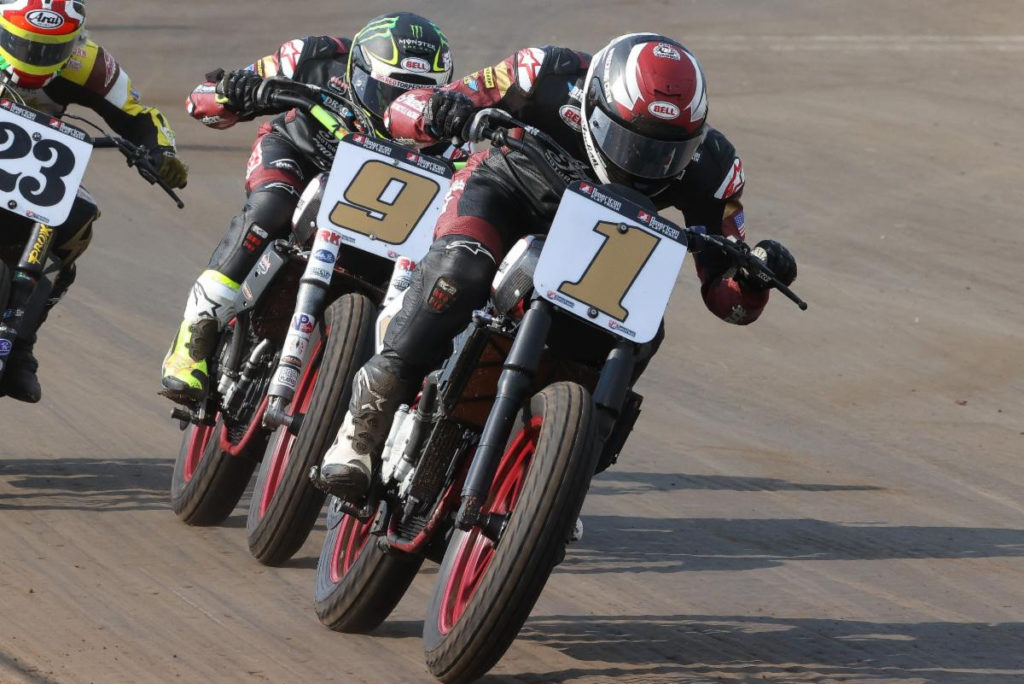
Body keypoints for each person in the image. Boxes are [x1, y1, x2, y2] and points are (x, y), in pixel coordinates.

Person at [317, 33, 799, 498]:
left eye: (666, 152)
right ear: (594, 105)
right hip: (508, 194)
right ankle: (365, 421)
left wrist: (753, 278)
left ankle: (563, 479)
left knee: (645, 334)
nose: (643, 161)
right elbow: (413, 104)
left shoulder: (716, 166)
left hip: (609, 243)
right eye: (629, 140)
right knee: (459, 275)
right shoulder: (543, 71)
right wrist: (440, 110)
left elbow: (726, 295)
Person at [159, 12, 457, 404]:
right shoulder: (313, 56)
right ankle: (194, 335)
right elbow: (202, 98)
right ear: (359, 70)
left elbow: (466, 172)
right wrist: (236, 92)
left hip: (384, 199)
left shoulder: (451, 110)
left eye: (417, 96)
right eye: (388, 92)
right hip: (299, 154)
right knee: (271, 206)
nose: (398, 108)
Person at [0, 0, 188, 403]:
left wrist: (161, 154)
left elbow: (139, 113)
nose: (34, 57)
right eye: (22, 44)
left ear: (74, 41)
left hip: (31, 171)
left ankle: (20, 345)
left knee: (79, 219)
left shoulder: (89, 62)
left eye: (49, 50)